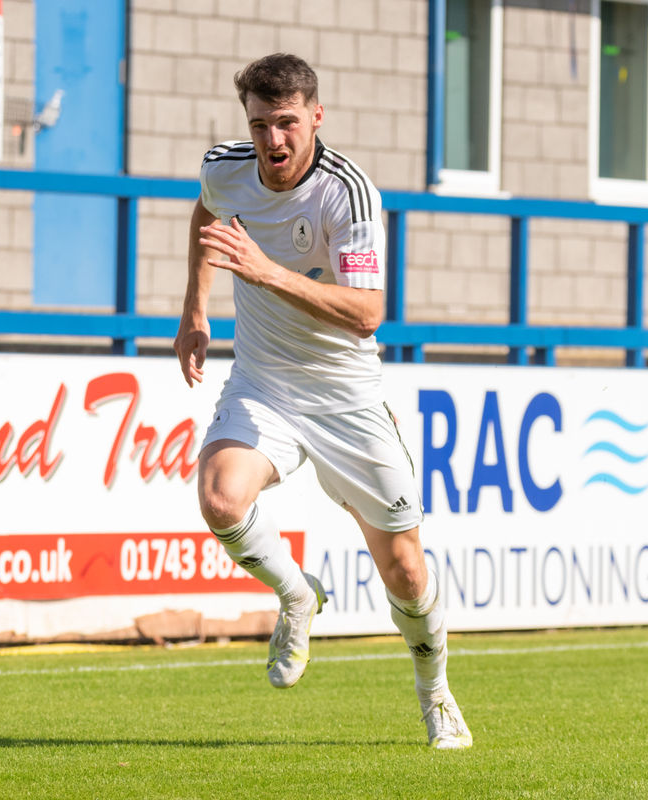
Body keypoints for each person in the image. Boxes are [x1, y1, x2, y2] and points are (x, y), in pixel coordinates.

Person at [172, 53, 472, 750]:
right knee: (219, 498)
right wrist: (196, 308)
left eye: (284, 123)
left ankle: (437, 696)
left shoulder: (347, 194)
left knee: (405, 569)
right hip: (265, 382)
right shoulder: (226, 167)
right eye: (258, 126)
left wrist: (265, 271)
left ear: (315, 116)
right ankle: (297, 594)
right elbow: (207, 211)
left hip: (345, 396)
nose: (272, 142)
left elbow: (368, 312)